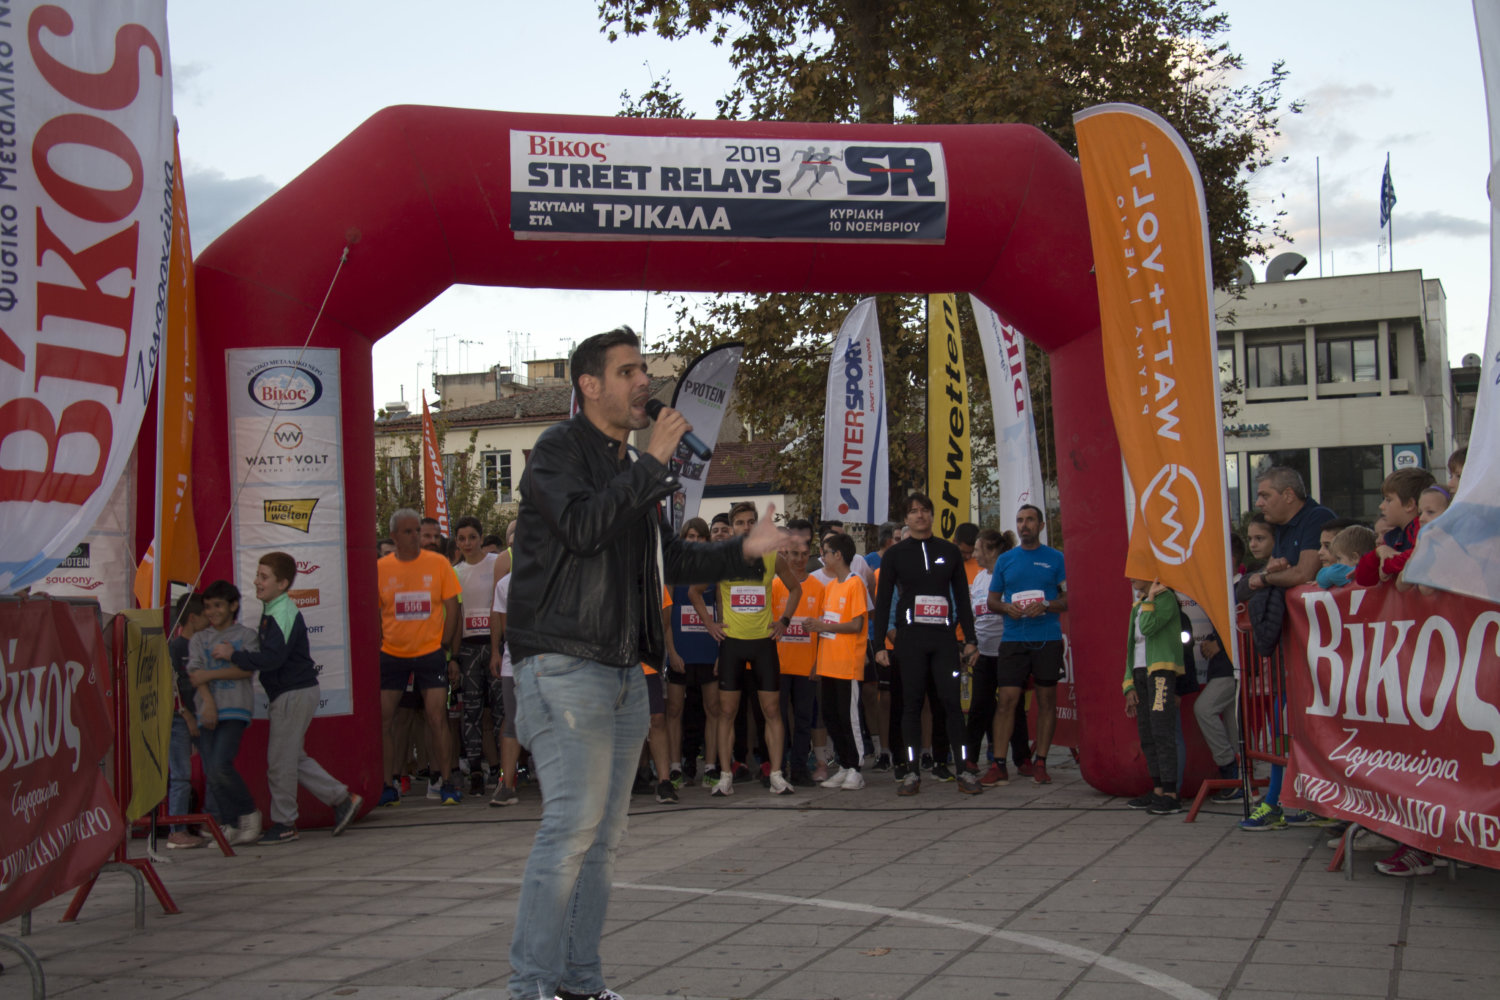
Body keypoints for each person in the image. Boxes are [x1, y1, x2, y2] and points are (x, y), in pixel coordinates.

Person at [504, 326, 783, 1000]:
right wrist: (653, 464)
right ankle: (530, 985)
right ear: (589, 384)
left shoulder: (632, 465)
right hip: (564, 663)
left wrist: (742, 550)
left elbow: (668, 558)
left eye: (644, 371)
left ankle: (579, 980)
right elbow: (582, 528)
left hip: (628, 669)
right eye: (629, 371)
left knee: (603, 837)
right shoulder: (557, 450)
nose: (644, 383)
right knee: (571, 826)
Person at [215, 552, 362, 844]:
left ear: (282, 584)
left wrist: (234, 655)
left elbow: (273, 658)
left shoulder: (281, 612)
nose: (257, 582)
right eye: (257, 575)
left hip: (293, 693)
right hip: (294, 692)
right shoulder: (275, 609)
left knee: (280, 763)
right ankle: (342, 799)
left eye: (264, 577)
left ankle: (285, 823)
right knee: (292, 758)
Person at [872, 492, 981, 796]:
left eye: (924, 510)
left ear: (932, 515)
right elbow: (883, 602)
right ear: (906, 519)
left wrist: (970, 639)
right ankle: (911, 772)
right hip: (910, 641)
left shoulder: (949, 551)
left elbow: (962, 598)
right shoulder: (895, 555)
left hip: (943, 640)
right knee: (911, 705)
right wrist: (878, 644)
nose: (919, 515)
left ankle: (963, 770)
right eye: (913, 511)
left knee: (952, 705)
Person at [692, 501, 802, 796]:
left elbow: (796, 589)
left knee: (772, 710)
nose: (746, 527)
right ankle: (725, 775)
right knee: (727, 711)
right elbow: (694, 592)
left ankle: (776, 774)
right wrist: (710, 624)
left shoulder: (772, 556)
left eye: (751, 521)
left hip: (763, 644)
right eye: (740, 522)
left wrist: (784, 621)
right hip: (733, 644)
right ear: (732, 528)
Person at [377, 508, 462, 806]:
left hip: (430, 653)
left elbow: (452, 607)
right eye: (408, 531)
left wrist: (444, 646)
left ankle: (447, 782)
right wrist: (381, 642)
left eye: (418, 531)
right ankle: (387, 785)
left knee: (437, 717)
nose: (415, 537)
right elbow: (373, 611)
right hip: (392, 654)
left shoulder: (439, 564)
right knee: (386, 720)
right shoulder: (381, 568)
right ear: (394, 536)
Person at [987, 504, 1067, 786]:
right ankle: (998, 764)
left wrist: (1046, 605)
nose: (1024, 525)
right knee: (1007, 700)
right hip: (1013, 639)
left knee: (1046, 701)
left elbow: (1069, 599)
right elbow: (992, 601)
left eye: (1030, 520)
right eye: (1020, 520)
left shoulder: (1056, 558)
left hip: (1047, 637)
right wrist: (1006, 608)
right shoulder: (1006, 560)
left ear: (1041, 526)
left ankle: (1041, 761)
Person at [187, 580, 262, 845]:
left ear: (233, 605)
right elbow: (195, 674)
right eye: (208, 607)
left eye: (218, 605)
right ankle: (229, 824)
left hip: (234, 709)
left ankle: (249, 813)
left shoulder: (246, 635)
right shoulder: (199, 638)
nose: (212, 612)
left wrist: (210, 674)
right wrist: (207, 703)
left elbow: (246, 669)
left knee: (220, 765)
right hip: (206, 712)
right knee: (211, 771)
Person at [805, 533, 869, 790]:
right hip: (829, 663)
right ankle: (844, 764)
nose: (823, 557)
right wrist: (817, 627)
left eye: (826, 552)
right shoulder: (831, 587)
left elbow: (856, 624)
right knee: (831, 715)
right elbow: (828, 623)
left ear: (838, 555)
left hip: (847, 663)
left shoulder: (855, 583)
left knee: (848, 717)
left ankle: (856, 767)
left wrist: (823, 625)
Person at [1122, 579, 1186, 815]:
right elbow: (1131, 646)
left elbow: (1148, 627)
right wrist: (1128, 684)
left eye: (1136, 573)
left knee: (1162, 731)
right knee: (1147, 733)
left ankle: (1171, 793)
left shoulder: (1165, 599)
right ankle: (1158, 789)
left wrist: (1150, 600)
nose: (1131, 578)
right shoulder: (1138, 605)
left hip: (1159, 672)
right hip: (1140, 673)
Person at [452, 515, 501, 795]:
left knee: (500, 711)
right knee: (471, 712)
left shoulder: (496, 563)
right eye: (462, 539)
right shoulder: (455, 572)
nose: (467, 543)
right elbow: (455, 616)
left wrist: (498, 647)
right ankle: (475, 772)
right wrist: (454, 656)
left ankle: (504, 771)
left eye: (472, 537)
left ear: (481, 538)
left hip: (495, 646)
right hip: (468, 649)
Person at [773, 522, 824, 786]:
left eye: (804, 555)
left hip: (807, 667)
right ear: (785, 554)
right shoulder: (775, 585)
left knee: (804, 720)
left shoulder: (819, 587)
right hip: (779, 666)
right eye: (794, 554)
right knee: (778, 720)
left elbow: (824, 630)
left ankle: (800, 768)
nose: (799, 559)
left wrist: (818, 663)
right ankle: (778, 768)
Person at [166, 593, 210, 849]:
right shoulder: (175, 648)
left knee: (214, 768)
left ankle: (209, 822)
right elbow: (172, 688)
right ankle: (177, 831)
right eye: (205, 615)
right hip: (180, 720)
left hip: (203, 717)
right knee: (181, 775)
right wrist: (187, 716)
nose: (210, 619)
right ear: (193, 618)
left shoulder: (203, 646)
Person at [487, 565, 523, 807]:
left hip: (551, 660)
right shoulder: (505, 584)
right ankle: (507, 785)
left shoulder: (553, 574)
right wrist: (495, 652)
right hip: (515, 662)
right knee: (513, 722)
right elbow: (506, 629)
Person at [1319, 525, 1376, 589]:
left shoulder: (1360, 572)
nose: (1337, 563)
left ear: (1355, 557)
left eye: (1339, 558)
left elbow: (1330, 574)